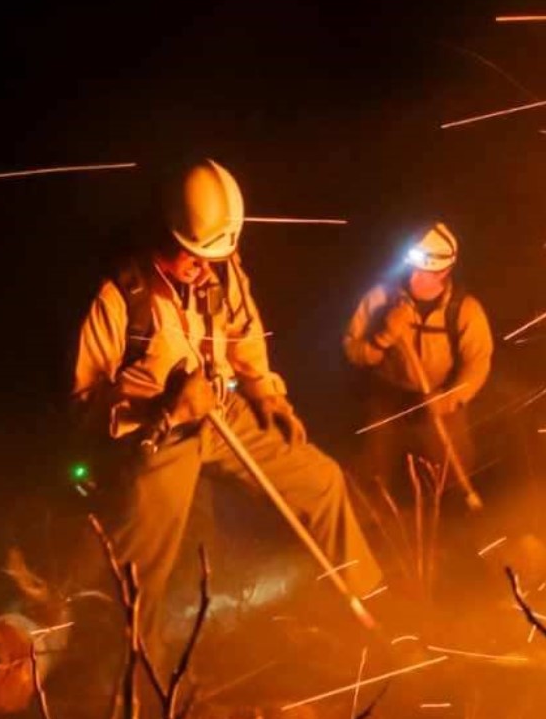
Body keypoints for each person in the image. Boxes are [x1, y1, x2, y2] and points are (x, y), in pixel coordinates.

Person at [73, 159, 383, 634]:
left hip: (223, 412)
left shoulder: (219, 266)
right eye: (192, 256)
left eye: (212, 258)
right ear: (163, 234)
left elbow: (244, 332)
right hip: (160, 437)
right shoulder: (116, 297)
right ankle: (137, 670)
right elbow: (84, 404)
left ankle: (371, 607)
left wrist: (266, 394)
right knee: (140, 575)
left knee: (322, 481)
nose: (204, 270)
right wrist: (164, 407)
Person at [342, 222, 493, 497]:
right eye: (410, 267)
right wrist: (383, 338)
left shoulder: (465, 310)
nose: (413, 277)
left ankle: (455, 517)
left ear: (444, 272)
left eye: (423, 272)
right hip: (387, 397)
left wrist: (448, 400)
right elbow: (353, 351)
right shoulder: (380, 298)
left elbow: (478, 364)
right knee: (372, 471)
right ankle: (371, 516)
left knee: (453, 470)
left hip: (438, 400)